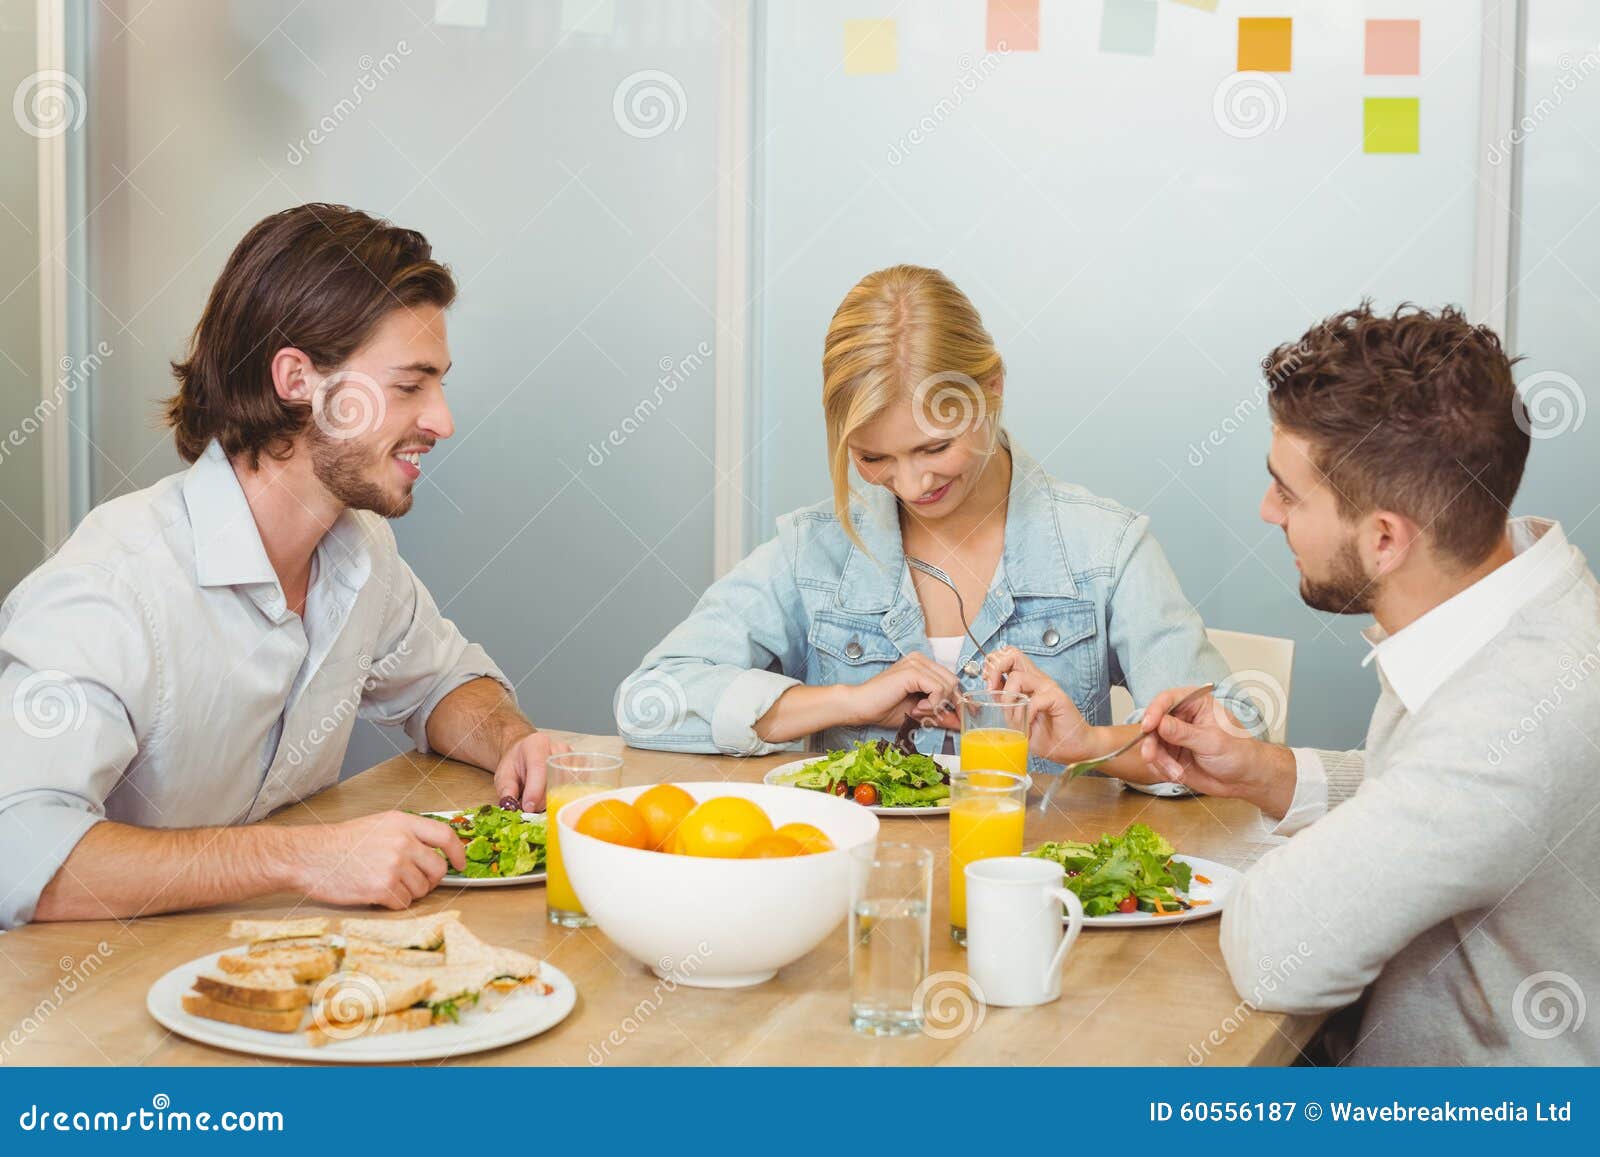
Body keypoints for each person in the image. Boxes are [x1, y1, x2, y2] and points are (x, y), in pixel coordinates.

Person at [0, 203, 568, 930]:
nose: (442, 420)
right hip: (88, 1008)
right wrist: (303, 858)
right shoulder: (113, 584)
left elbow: (447, 682)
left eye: (440, 383)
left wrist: (511, 740)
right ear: (298, 378)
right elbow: (21, 851)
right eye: (410, 385)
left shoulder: (358, 552)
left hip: (257, 969)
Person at [1118, 303, 1597, 1064]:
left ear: (1383, 538)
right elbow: (1429, 804)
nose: (1266, 510)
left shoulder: (1508, 723)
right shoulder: (1515, 593)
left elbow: (1276, 946)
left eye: (1289, 492)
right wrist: (1269, 772)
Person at [615, 264, 1255, 774]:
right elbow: (649, 704)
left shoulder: (1103, 549)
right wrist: (847, 701)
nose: (913, 484)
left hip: (1045, 906)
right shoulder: (813, 552)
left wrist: (1087, 744)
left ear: (993, 388)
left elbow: (1233, 738)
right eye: (873, 457)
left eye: (934, 448)